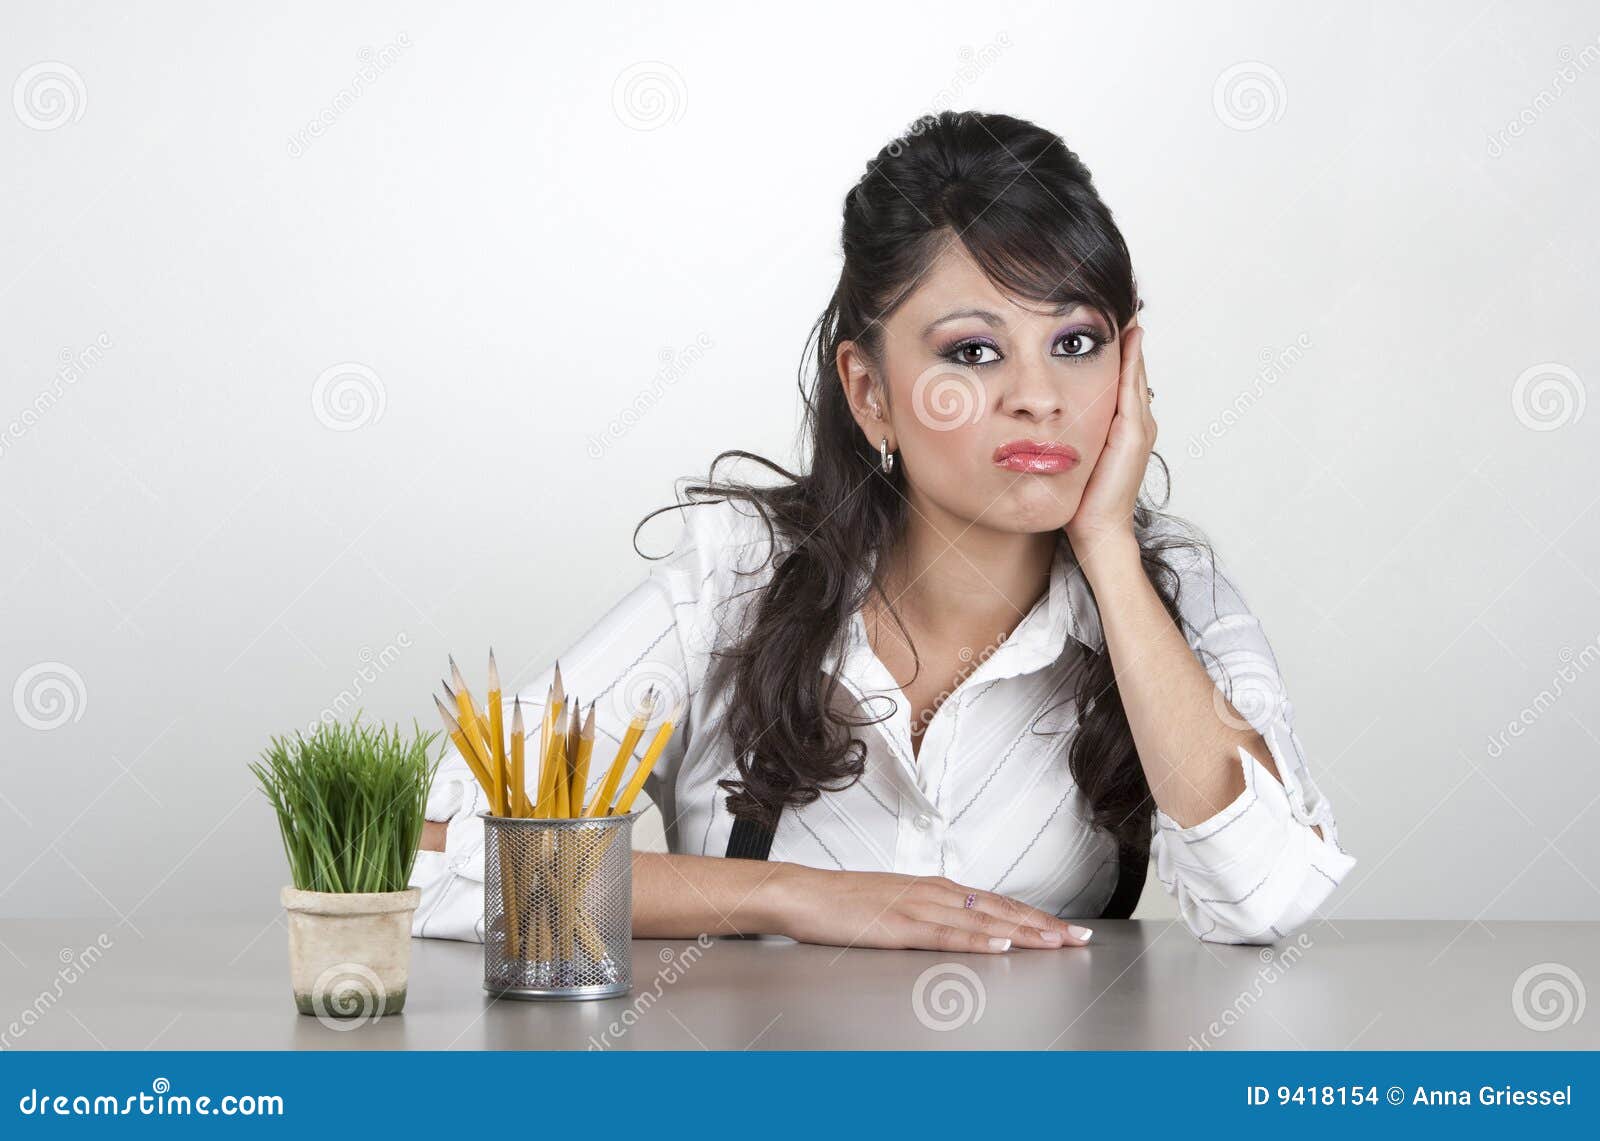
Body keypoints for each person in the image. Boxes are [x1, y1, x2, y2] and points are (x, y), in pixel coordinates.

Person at [410, 109, 1355, 951]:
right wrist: (789, 895)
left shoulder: (1169, 598)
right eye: (974, 352)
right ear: (871, 392)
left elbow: (1265, 897)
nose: (1037, 397)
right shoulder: (734, 580)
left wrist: (1108, 549)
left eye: (1076, 343)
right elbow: (431, 863)